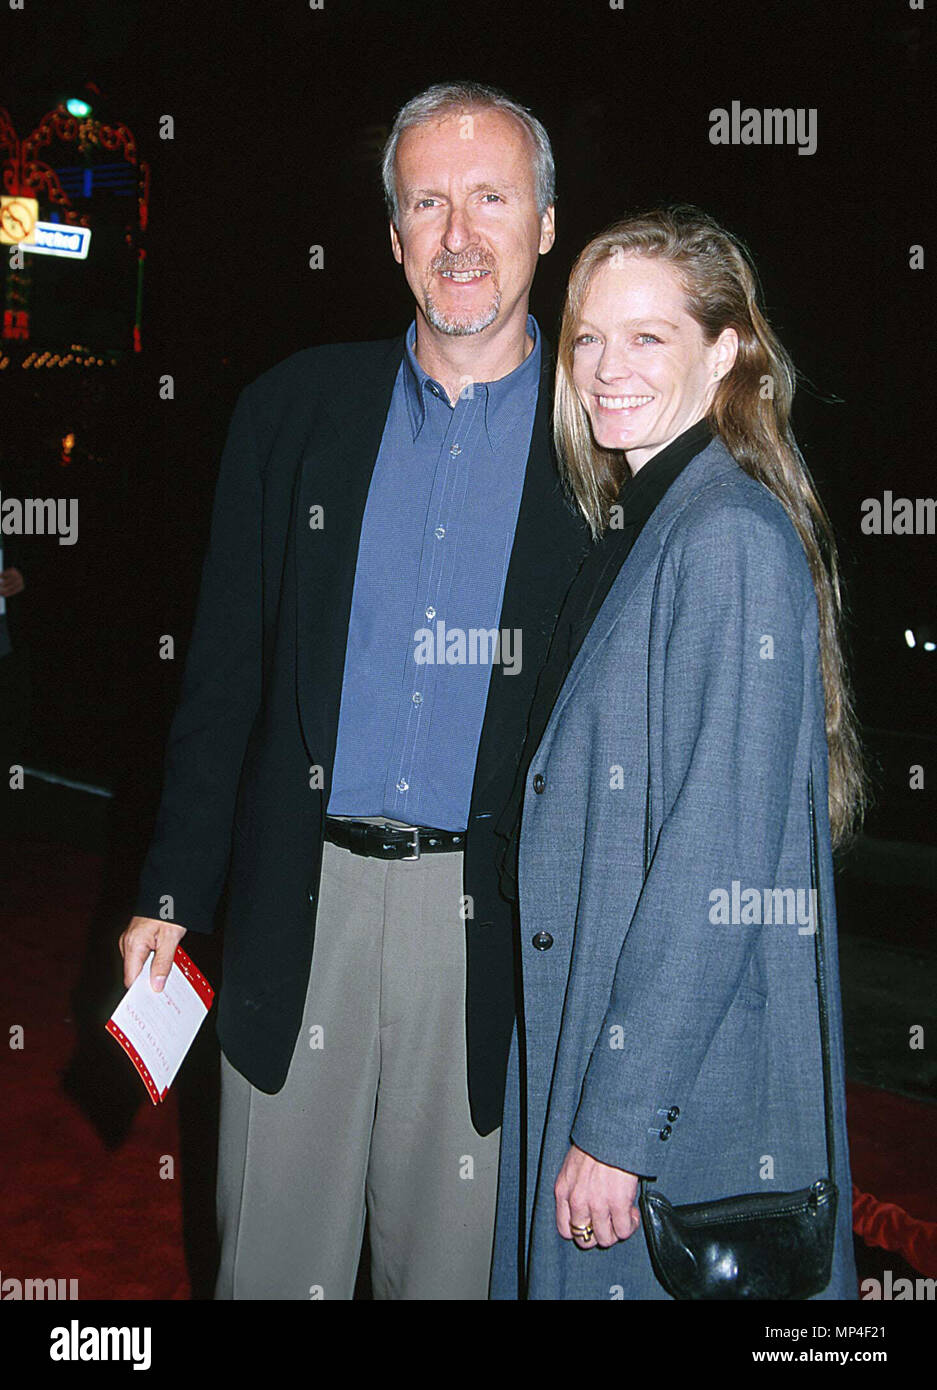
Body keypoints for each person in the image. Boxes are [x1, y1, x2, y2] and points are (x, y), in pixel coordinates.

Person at [118, 81, 587, 1300]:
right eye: (426, 201)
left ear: (546, 222)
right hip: (299, 905)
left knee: (451, 1276)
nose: (458, 234)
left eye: (492, 198)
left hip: (489, 930)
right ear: (391, 236)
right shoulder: (290, 413)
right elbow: (224, 677)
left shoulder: (604, 443)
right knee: (270, 1268)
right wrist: (172, 885)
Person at [490, 206, 865, 1300]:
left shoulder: (725, 538)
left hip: (675, 1106)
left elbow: (715, 872)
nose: (606, 368)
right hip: (618, 1049)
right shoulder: (647, 523)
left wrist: (616, 1125)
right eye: (589, 338)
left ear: (725, 350)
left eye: (647, 338)